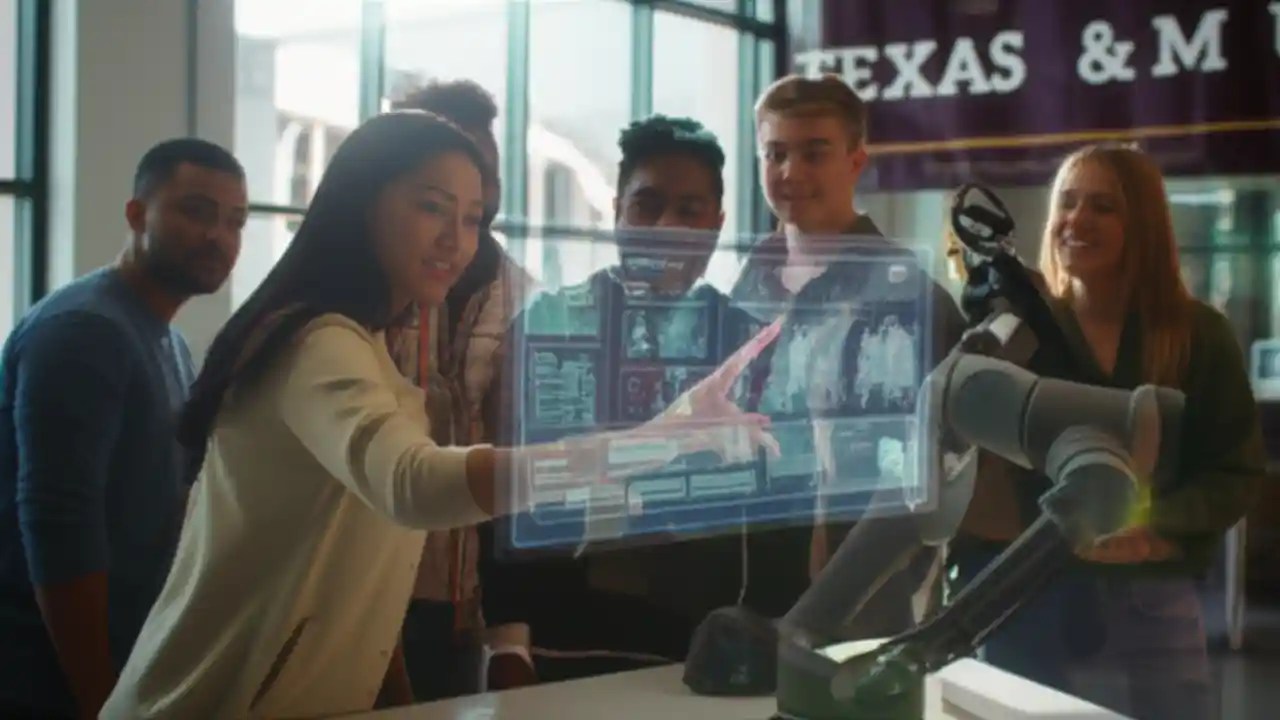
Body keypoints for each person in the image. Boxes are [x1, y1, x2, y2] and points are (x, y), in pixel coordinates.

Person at [101, 111, 774, 719]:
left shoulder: (368, 352)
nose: (457, 239)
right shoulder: (316, 343)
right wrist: (656, 442)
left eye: (474, 218)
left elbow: (360, 574)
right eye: (432, 208)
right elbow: (418, 486)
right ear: (362, 202)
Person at [949, 144, 1265, 720]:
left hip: (1152, 601)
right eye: (1067, 203)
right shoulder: (1016, 329)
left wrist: (1155, 526)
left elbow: (1236, 472)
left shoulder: (1198, 335)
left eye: (1103, 207)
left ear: (1141, 224)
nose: (1077, 220)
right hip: (1030, 600)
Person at [478, 115, 762, 688]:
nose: (667, 229)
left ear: (717, 224)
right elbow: (503, 490)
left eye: (690, 211)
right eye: (647, 205)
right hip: (569, 634)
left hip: (707, 641)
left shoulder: (748, 339)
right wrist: (508, 640)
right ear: (616, 211)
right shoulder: (551, 321)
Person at [0, 138, 247, 719]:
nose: (219, 236)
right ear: (138, 215)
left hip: (120, 662)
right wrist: (98, 699)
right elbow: (59, 526)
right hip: (45, 676)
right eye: (196, 211)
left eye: (234, 221)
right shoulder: (85, 331)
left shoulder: (167, 339)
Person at [731, 73, 965, 632]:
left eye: (815, 154)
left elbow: (945, 470)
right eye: (776, 153)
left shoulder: (911, 300)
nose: (791, 173)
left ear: (855, 162)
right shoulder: (744, 291)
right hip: (749, 594)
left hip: (866, 606)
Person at [389, 79, 535, 702]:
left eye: (485, 172)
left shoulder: (527, 298)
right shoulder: (356, 303)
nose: (476, 190)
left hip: (463, 610)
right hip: (358, 602)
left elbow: (522, 482)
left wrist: (512, 640)